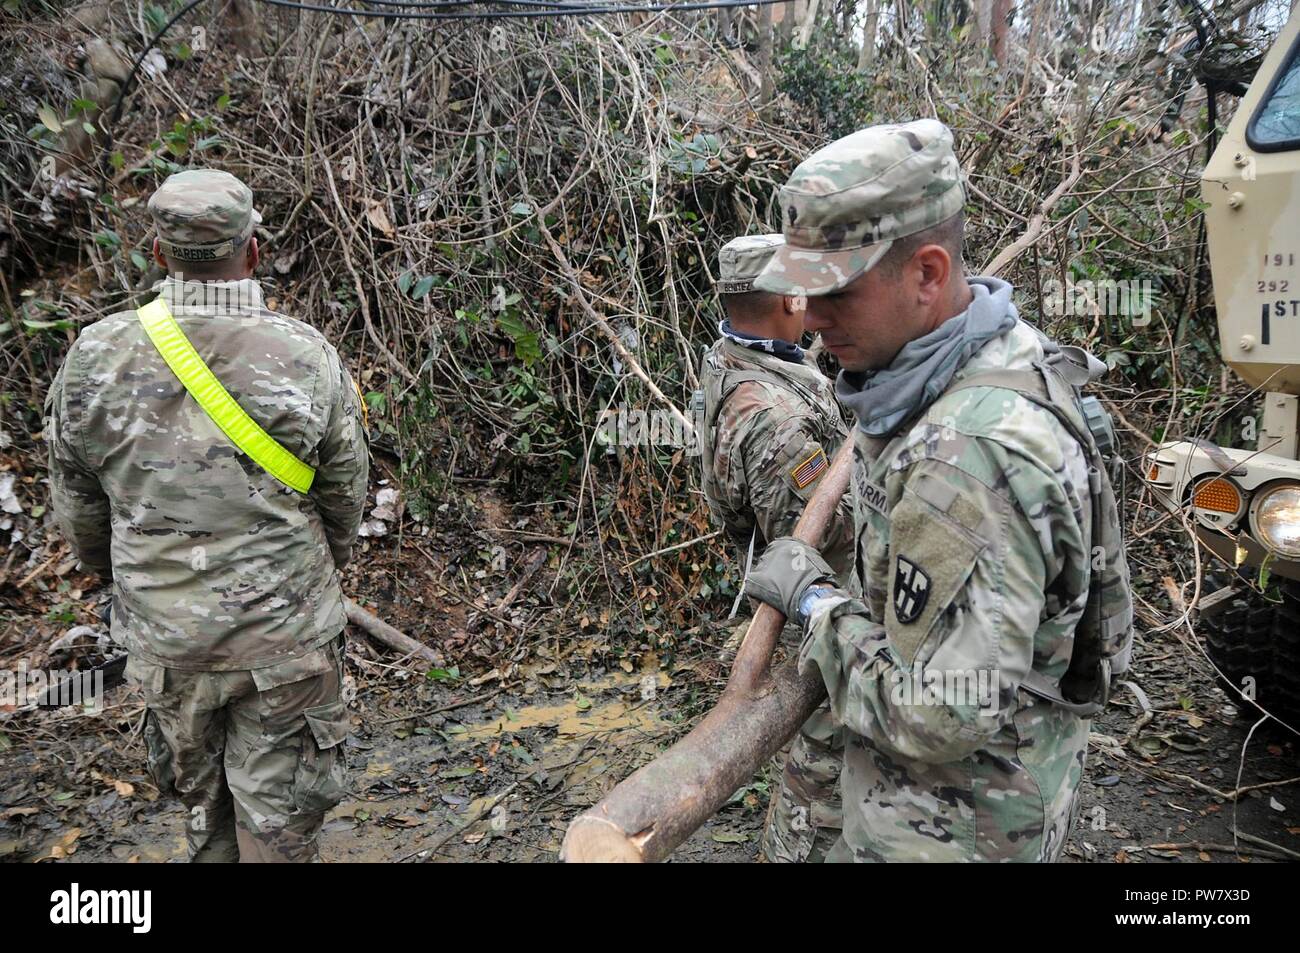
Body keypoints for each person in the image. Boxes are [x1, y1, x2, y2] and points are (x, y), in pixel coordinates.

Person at [746, 119, 1133, 862]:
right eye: (802, 294)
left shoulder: (969, 455)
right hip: (1011, 787)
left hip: (952, 824)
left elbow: (942, 714)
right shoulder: (1004, 351)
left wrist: (817, 606)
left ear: (926, 273)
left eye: (835, 295)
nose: (814, 324)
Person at [44, 169, 370, 862]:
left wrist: (132, 582)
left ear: (158, 255)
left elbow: (79, 513)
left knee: (205, 819)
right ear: (251, 251)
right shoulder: (305, 355)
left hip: (168, 643)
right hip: (285, 640)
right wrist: (322, 571)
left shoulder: (93, 357)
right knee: (278, 831)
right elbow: (345, 496)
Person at [697, 234, 854, 862]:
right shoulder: (775, 423)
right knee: (821, 780)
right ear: (790, 298)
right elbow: (824, 545)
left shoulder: (736, 353)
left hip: (814, 605)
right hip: (823, 618)